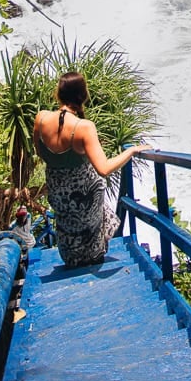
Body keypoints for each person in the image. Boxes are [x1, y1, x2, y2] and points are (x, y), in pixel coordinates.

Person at [34, 71, 150, 268]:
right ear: (83, 95)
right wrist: (131, 151)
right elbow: (103, 168)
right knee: (99, 212)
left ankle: (70, 255)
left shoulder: (41, 118)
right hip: (83, 195)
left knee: (67, 221)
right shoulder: (84, 127)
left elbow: (40, 152)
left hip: (58, 192)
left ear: (58, 94)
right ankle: (93, 254)